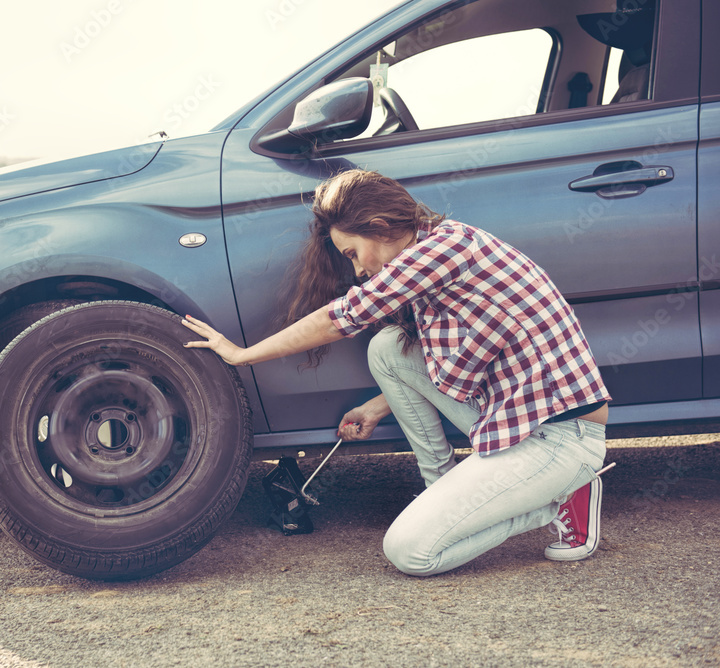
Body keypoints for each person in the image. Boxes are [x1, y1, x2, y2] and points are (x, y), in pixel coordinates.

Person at [182, 169, 612, 576]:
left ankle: (558, 500)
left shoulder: (443, 251)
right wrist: (378, 407)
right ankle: (440, 490)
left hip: (560, 437)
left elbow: (342, 317)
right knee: (389, 347)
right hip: (516, 414)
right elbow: (475, 353)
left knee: (411, 552)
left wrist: (242, 355)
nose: (358, 270)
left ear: (381, 225)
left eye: (352, 253)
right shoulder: (445, 248)